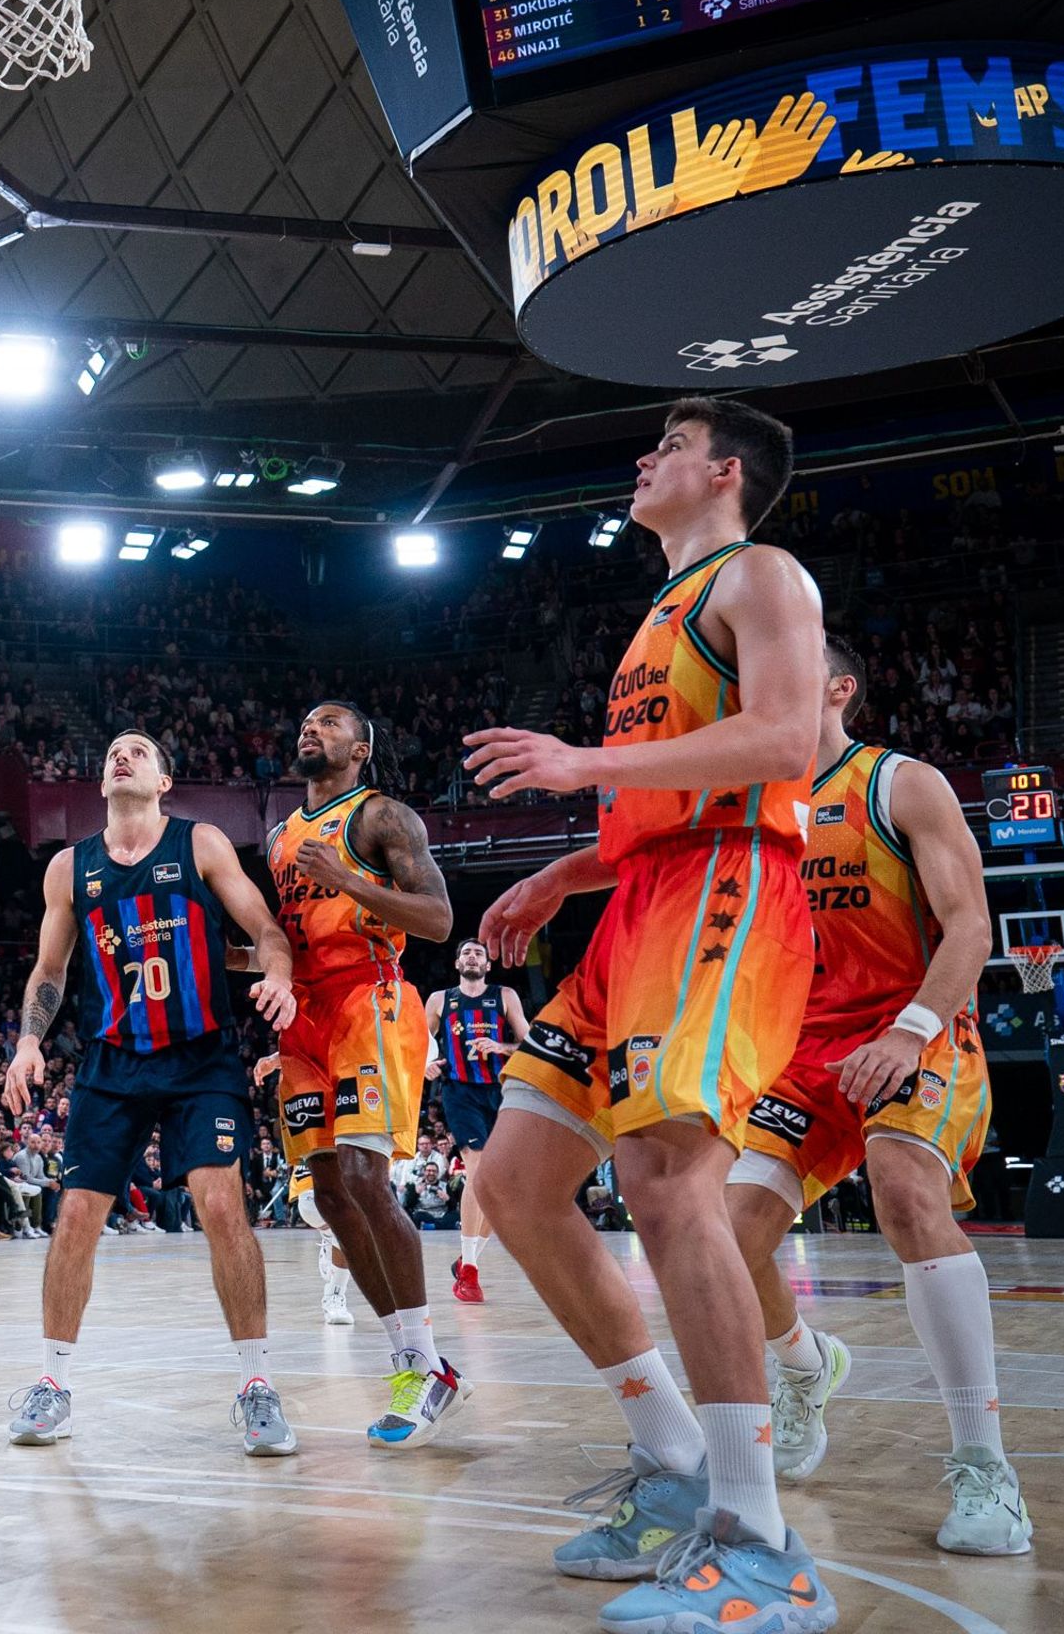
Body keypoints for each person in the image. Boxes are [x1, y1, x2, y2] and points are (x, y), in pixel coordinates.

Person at [468, 397, 834, 1629]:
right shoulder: (658, 614)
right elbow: (657, 795)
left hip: (728, 889)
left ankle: (756, 1538)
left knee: (668, 1180)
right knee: (513, 1181)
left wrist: (579, 765)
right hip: (635, 903)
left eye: (668, 444)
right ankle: (675, 1461)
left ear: (724, 471)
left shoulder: (761, 572)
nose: (643, 457)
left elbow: (784, 739)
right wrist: (564, 868)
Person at [719, 639, 1028, 1554]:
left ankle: (987, 1470)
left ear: (840, 688)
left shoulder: (901, 784)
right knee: (724, 1237)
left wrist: (909, 1032)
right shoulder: (752, 807)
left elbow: (972, 926)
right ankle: (805, 1368)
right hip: (802, 1052)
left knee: (902, 1192)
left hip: (914, 1030)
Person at [0, 730, 296, 1455]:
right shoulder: (70, 868)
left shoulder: (202, 845)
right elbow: (49, 968)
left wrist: (279, 973)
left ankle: (257, 1387)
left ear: (165, 780)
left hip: (200, 1057)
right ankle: (52, 1385)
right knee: (74, 1217)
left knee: (223, 1206)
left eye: (137, 751)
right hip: (113, 1063)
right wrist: (30, 1041)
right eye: (112, 753)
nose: (120, 757)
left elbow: (263, 927)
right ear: (102, 782)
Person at [265, 699, 461, 1447]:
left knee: (364, 1176)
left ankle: (421, 1364)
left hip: (369, 997)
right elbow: (280, 938)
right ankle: (417, 1361)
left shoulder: (382, 818)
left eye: (332, 723)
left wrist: (347, 880)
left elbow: (438, 919)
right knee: (327, 1193)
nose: (312, 728)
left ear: (362, 749)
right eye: (306, 720)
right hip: (304, 1015)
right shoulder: (282, 837)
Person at [426, 939, 530, 1303]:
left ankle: (466, 1261)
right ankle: (469, 1273)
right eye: (467, 953)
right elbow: (421, 1042)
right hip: (460, 1092)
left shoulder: (504, 996)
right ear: (457, 963)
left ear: (488, 965)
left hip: (500, 1092)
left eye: (479, 954)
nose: (472, 957)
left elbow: (528, 1043)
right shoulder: (440, 999)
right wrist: (426, 1062)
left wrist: (501, 1047)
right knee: (479, 1171)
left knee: (500, 1187)